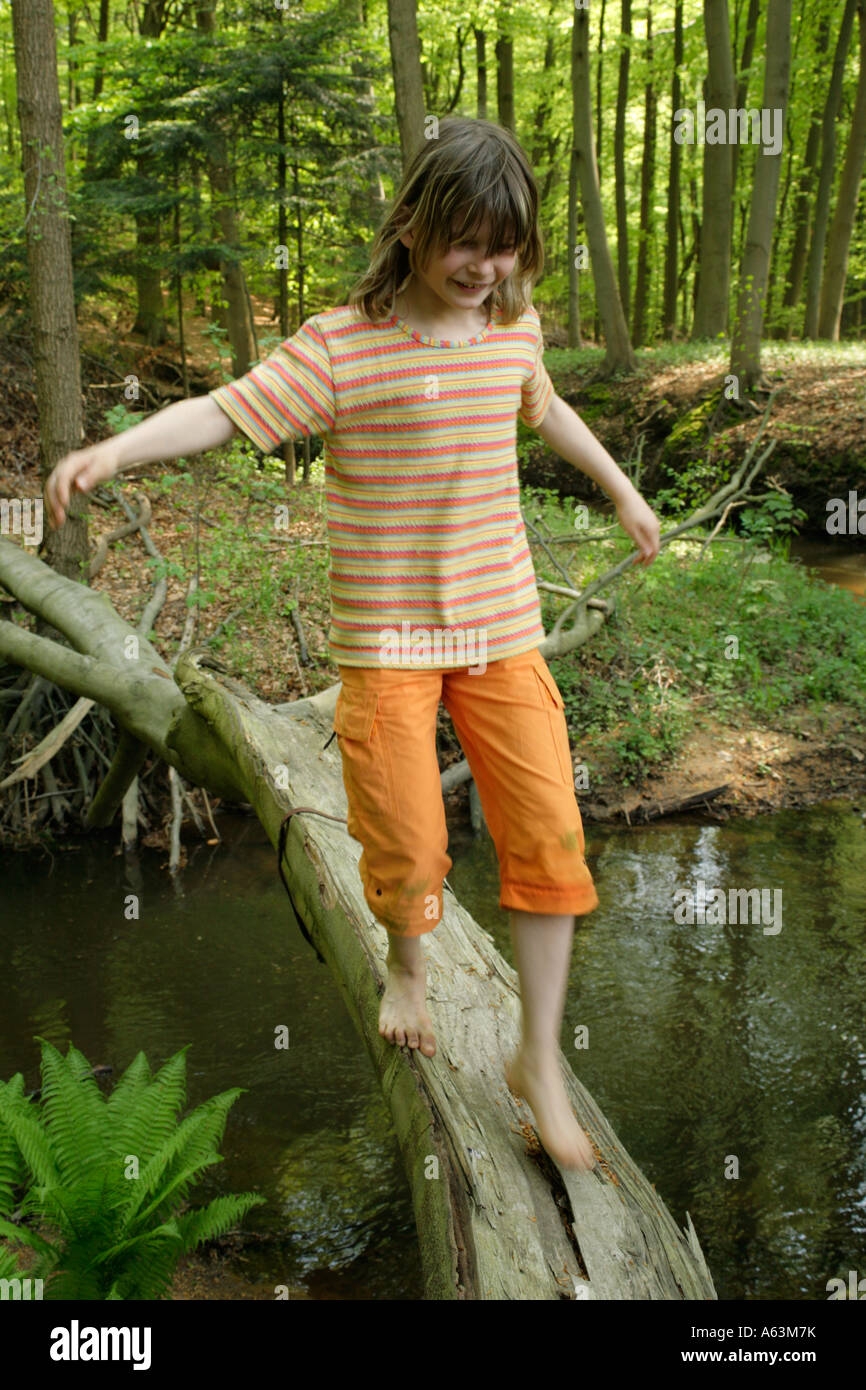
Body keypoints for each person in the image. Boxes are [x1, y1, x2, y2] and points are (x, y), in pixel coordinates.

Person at [45, 116, 660, 1171]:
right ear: (413, 226)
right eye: (466, 240)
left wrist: (621, 489)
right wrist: (118, 450)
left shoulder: (514, 328)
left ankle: (537, 1060)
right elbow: (222, 412)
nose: (486, 266)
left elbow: (544, 409)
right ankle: (409, 968)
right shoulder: (340, 347)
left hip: (501, 626)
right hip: (387, 641)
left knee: (549, 839)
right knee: (409, 841)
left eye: (505, 244)